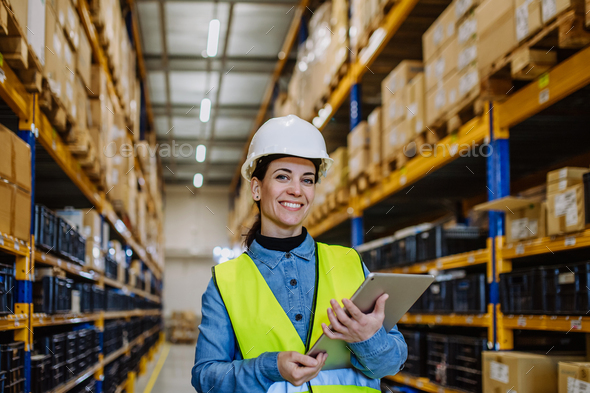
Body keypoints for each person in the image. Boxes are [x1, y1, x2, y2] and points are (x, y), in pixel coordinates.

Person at [192, 115, 407, 392]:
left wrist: (369, 340)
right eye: (282, 176)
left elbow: (393, 361)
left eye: (307, 180)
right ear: (256, 188)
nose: (296, 190)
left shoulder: (349, 263)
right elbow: (205, 377)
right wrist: (270, 367)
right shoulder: (226, 282)